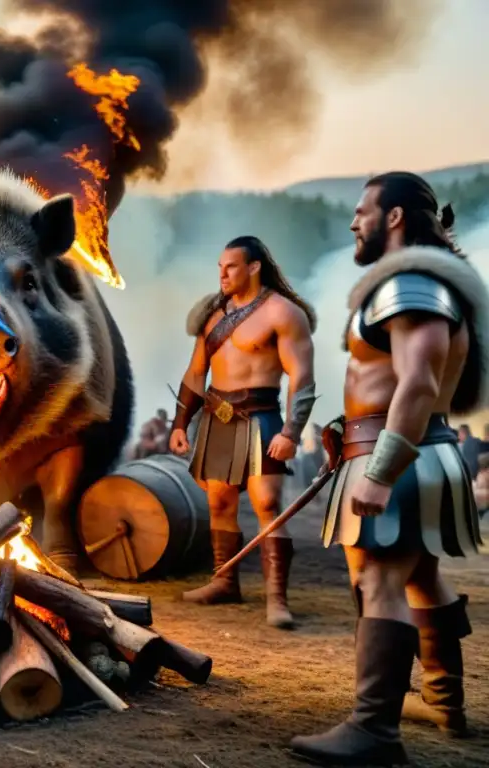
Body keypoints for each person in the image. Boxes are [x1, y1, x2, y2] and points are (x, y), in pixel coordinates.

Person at [289, 172, 487, 765]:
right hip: (404, 451)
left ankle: (375, 729)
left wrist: (378, 470)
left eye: (362, 211)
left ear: (394, 217)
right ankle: (445, 704)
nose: (353, 222)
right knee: (419, 575)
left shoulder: (410, 285)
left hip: (402, 456)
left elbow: (419, 382)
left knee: (379, 580)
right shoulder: (417, 284)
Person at [170, 235, 317, 630]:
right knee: (218, 502)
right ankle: (224, 581)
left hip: (261, 418)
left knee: (268, 503)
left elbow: (300, 376)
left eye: (231, 266)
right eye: (219, 267)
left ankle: (277, 599)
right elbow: (197, 372)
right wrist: (180, 423)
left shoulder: (283, 313)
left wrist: (291, 430)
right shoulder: (213, 316)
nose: (222, 274)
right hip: (217, 419)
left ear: (254, 267)